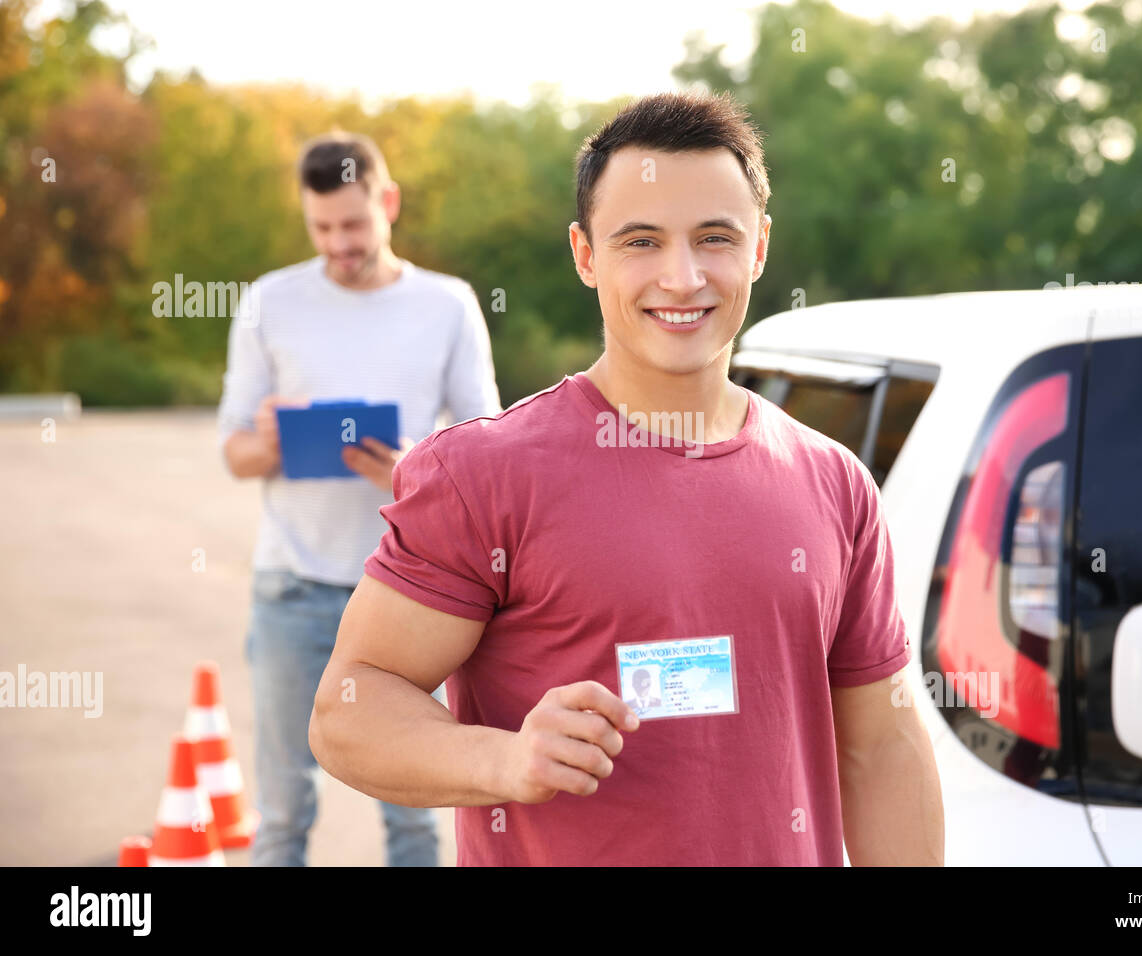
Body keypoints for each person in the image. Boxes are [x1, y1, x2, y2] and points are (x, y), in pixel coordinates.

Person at [308, 92, 943, 866]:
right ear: (585, 254)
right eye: (641, 241)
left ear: (760, 249)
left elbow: (883, 750)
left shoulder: (836, 484)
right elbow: (349, 712)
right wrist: (502, 759)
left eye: (715, 238)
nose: (682, 278)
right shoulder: (483, 473)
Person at [216, 130, 501, 866]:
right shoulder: (269, 302)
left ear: (390, 204)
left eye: (353, 224)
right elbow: (235, 451)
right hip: (292, 589)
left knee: (412, 816)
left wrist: (415, 470)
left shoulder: (448, 305)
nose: (339, 244)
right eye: (322, 228)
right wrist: (272, 440)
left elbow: (490, 453)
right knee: (282, 813)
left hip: (414, 600)